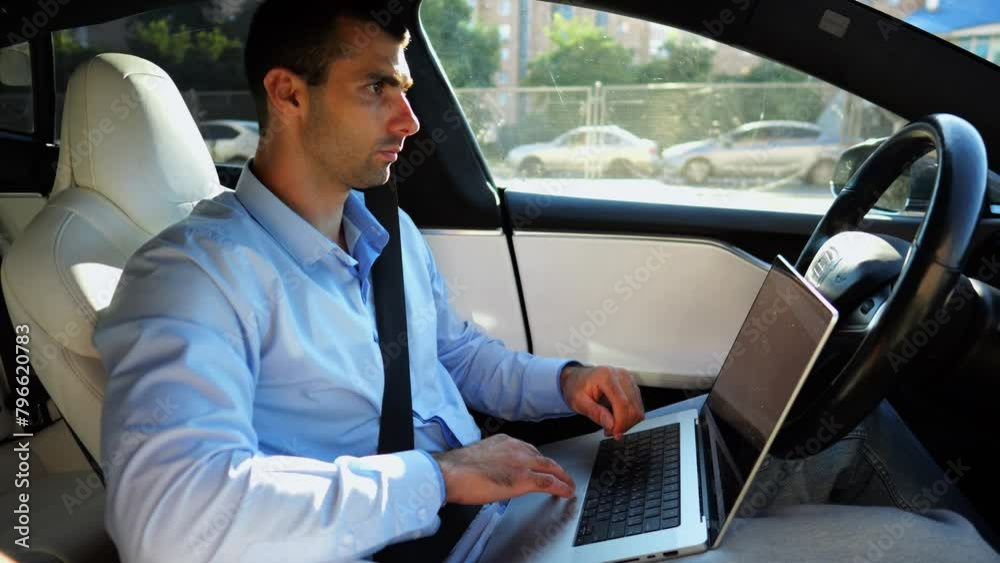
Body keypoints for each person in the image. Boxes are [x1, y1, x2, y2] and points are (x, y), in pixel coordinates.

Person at [93, 1, 1000, 562]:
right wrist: (440, 478)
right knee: (943, 549)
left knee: (842, 437)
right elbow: (173, 522)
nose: (411, 119)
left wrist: (561, 380)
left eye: (406, 87)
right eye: (378, 88)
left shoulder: (384, 231)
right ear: (287, 93)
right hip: (445, 543)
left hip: (516, 494)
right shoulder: (189, 278)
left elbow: (453, 356)